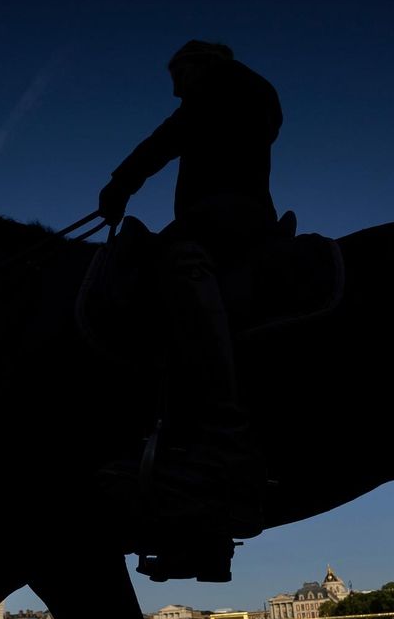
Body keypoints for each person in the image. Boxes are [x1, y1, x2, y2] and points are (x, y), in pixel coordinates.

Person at [97, 40, 281, 562]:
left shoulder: (231, 85)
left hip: (227, 214)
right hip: (222, 213)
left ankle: (225, 433)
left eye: (179, 75)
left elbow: (169, 136)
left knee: (175, 265)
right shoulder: (235, 93)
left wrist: (121, 183)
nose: (176, 88)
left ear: (203, 66)